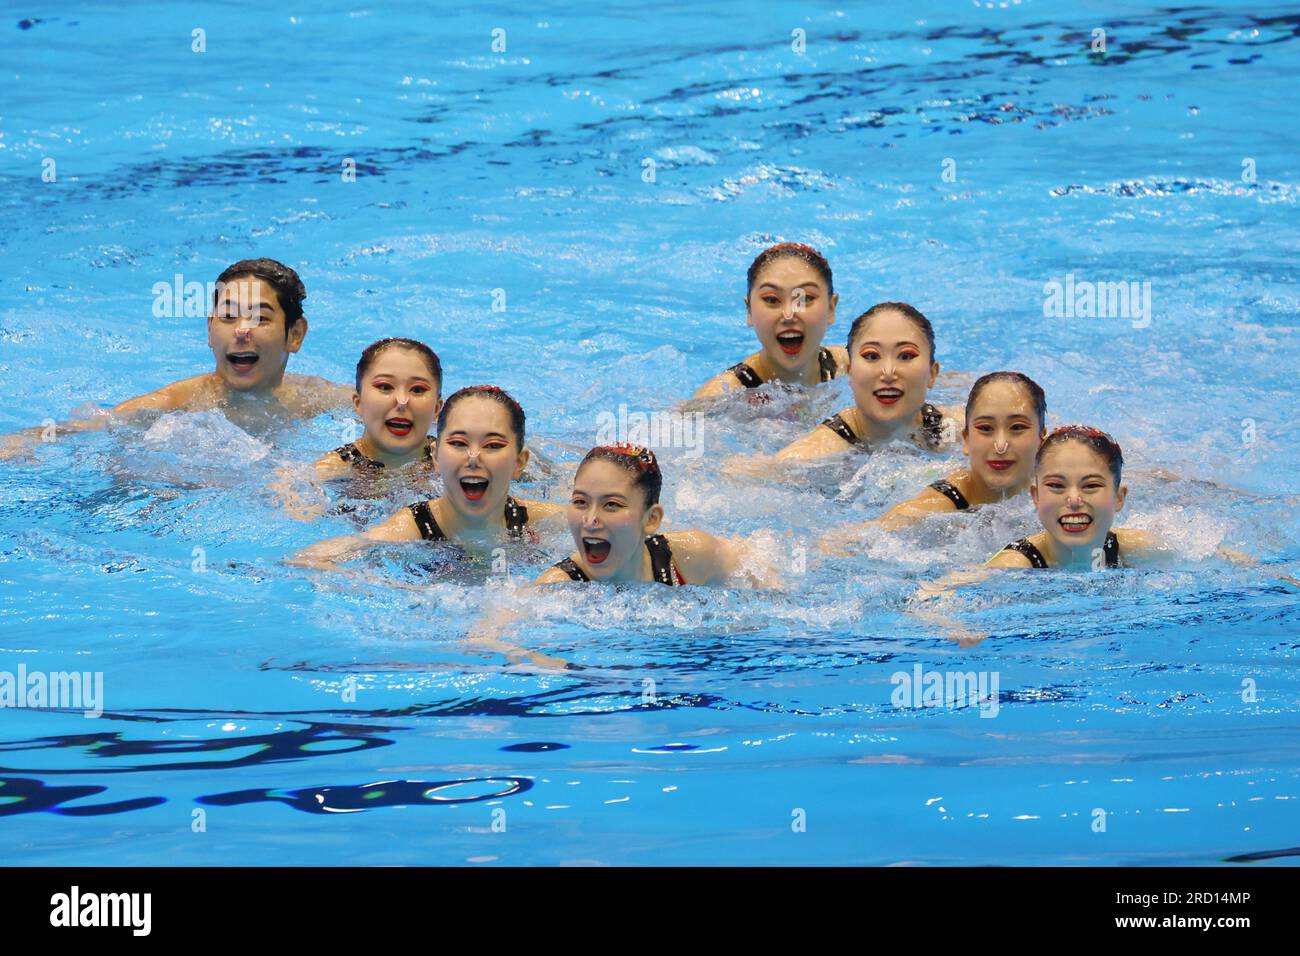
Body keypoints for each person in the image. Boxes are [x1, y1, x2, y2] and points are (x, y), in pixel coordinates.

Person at [0, 258, 350, 460]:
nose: (242, 331)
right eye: (227, 317)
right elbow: (83, 428)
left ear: (295, 334)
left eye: (260, 318)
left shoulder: (315, 399)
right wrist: (22, 442)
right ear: (210, 330)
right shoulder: (178, 405)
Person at [286, 385, 560, 571]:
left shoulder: (539, 520)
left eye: (493, 446)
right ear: (437, 455)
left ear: (519, 463)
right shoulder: (412, 527)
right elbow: (305, 560)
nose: (474, 457)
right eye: (459, 443)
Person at [820, 371, 1046, 552]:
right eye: (985, 429)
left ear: (1041, 439)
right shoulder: (941, 503)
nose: (1000, 445)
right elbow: (861, 536)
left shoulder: (1061, 484)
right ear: (966, 440)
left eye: (1017, 428)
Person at [768, 301, 961, 463]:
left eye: (905, 356)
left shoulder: (951, 428)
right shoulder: (815, 455)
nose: (888, 372)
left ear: (932, 374)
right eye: (871, 356)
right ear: (850, 373)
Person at [692, 243, 846, 399]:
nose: (788, 314)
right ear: (749, 310)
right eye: (772, 299)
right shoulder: (718, 397)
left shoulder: (846, 366)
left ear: (831, 308)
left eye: (804, 299)